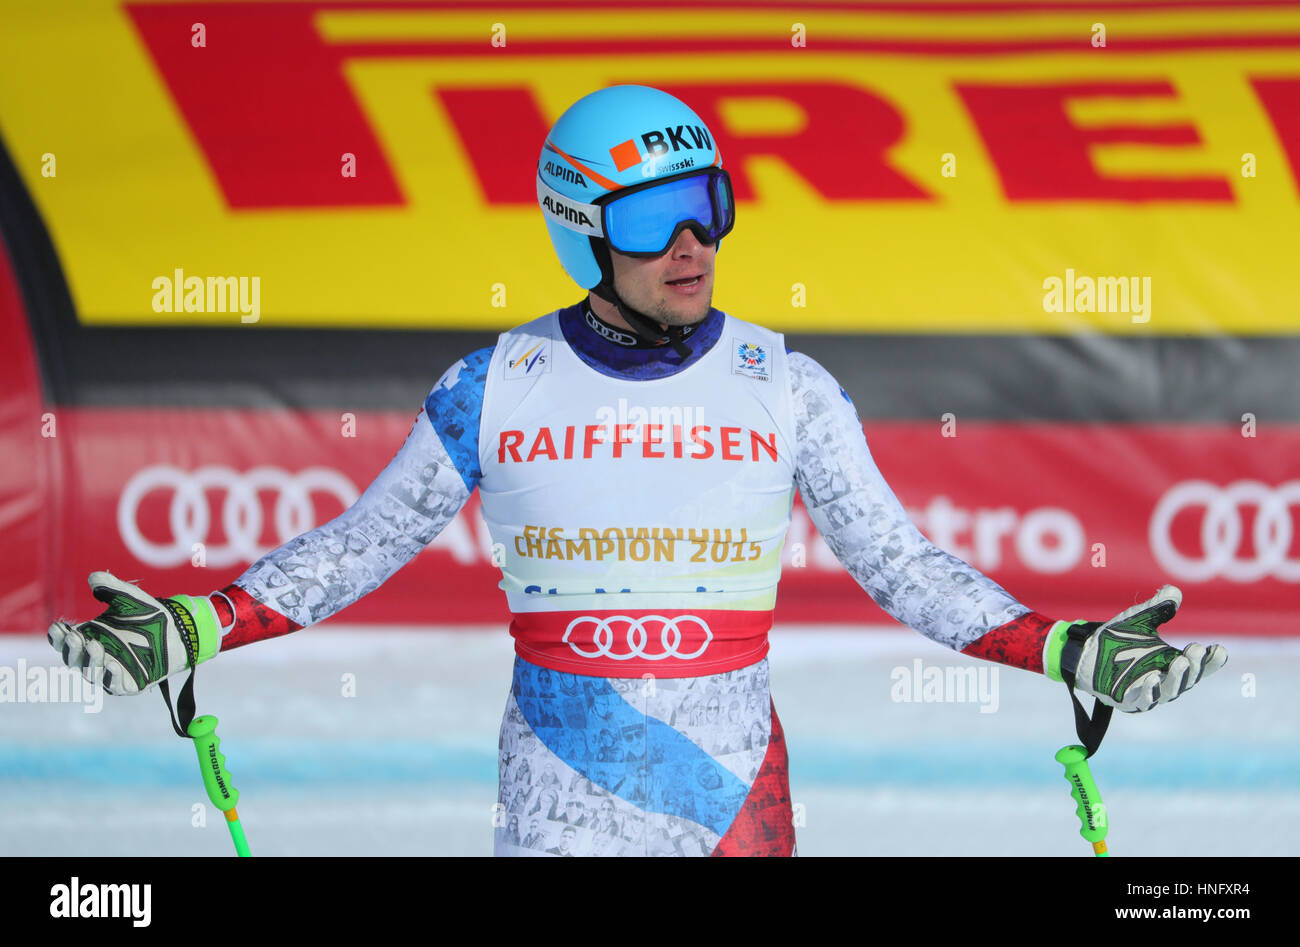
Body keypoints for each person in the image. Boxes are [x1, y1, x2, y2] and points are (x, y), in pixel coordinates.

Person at [48, 85, 1228, 857]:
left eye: (708, 206)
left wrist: (1064, 646)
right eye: (658, 212)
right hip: (559, 802)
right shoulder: (493, 382)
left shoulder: (789, 383)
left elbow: (904, 567)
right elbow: (356, 547)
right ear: (580, 225)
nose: (693, 241)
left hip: (736, 805)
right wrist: (196, 626)